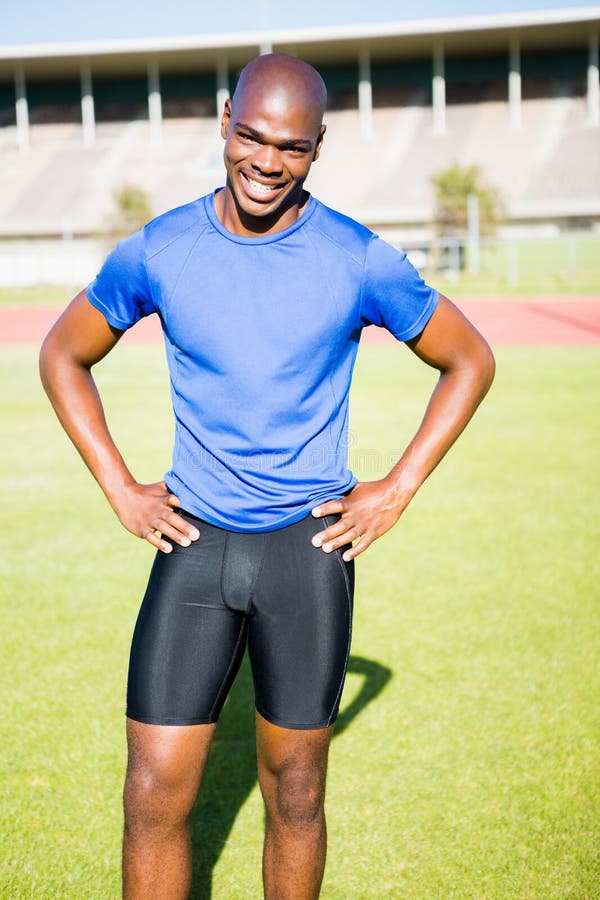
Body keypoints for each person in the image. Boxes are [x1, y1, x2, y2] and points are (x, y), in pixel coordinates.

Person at [39, 53, 495, 900]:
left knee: (295, 793)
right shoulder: (164, 248)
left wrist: (394, 489)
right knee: (152, 793)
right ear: (224, 121)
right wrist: (119, 486)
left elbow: (469, 359)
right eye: (250, 136)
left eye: (290, 146)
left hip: (307, 553)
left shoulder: (357, 257)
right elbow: (63, 354)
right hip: (195, 544)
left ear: (317, 148)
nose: (265, 161)